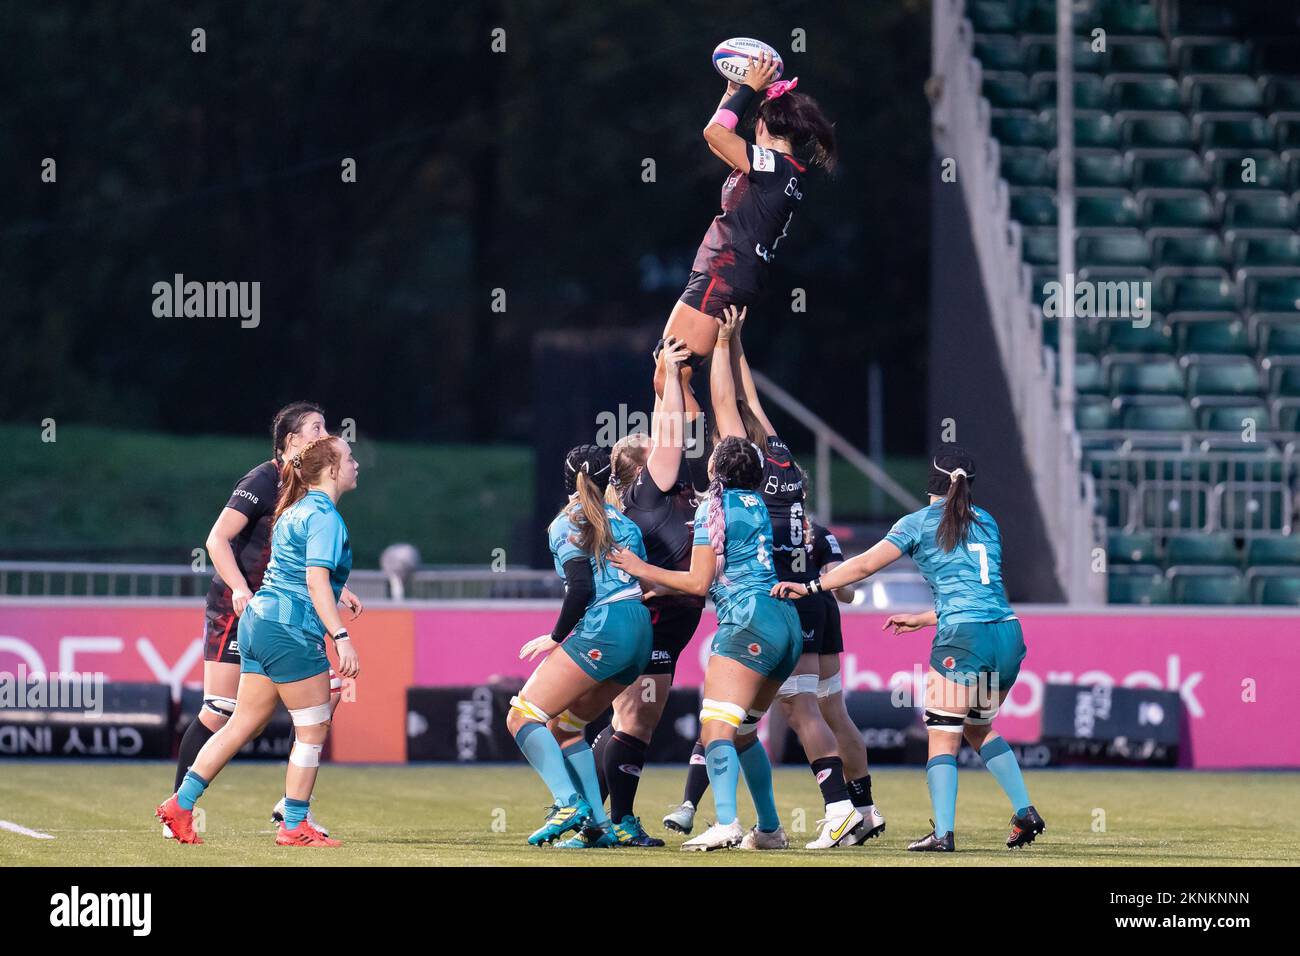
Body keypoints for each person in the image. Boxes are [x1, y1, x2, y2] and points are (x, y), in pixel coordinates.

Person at [773, 447, 1046, 851]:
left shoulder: (917, 523)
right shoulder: (987, 521)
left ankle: (943, 835)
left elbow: (865, 565)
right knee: (976, 727)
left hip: (964, 639)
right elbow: (977, 592)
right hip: (1006, 634)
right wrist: (924, 617)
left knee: (942, 736)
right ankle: (1025, 811)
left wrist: (811, 586)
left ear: (931, 483)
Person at [688, 305, 869, 849]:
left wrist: (719, 345)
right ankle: (822, 816)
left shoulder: (743, 490)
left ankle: (840, 809)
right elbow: (749, 402)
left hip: (776, 597)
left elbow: (727, 403)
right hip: (804, 597)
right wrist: (734, 342)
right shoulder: (785, 468)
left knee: (800, 711)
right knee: (793, 713)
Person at [157, 436, 362, 847]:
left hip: (256, 622)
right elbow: (315, 580)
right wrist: (341, 636)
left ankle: (181, 805)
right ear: (333, 470)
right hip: (289, 629)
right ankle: (294, 824)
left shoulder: (292, 509)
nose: (357, 463)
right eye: (349, 457)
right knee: (313, 727)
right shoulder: (323, 516)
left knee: (242, 723)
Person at [612, 436, 802, 851]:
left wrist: (642, 568)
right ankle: (769, 828)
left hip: (747, 622)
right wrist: (664, 588)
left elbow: (699, 582)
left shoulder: (713, 508)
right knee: (746, 732)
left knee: (716, 725)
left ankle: (725, 822)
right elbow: (722, 566)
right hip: (784, 620)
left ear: (717, 470)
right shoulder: (756, 504)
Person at [653, 51, 838, 423]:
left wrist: (750, 89)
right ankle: (693, 459)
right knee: (671, 370)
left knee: (667, 376)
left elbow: (714, 133)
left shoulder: (772, 167)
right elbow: (716, 140)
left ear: (763, 126)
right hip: (729, 275)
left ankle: (712, 459)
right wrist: (733, 90)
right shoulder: (780, 171)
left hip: (723, 272)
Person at [508, 445, 654, 849]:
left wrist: (554, 639)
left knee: (522, 717)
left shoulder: (565, 523)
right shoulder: (626, 524)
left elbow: (582, 589)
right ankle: (599, 826)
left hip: (606, 627)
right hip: (639, 629)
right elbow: (640, 583)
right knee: (566, 726)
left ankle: (568, 804)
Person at [589, 338, 703, 846]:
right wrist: (670, 378)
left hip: (672, 620)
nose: (671, 454)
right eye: (657, 451)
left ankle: (585, 814)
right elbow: (675, 430)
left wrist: (670, 378)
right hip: (658, 620)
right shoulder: (650, 490)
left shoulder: (661, 491)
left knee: (629, 719)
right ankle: (612, 819)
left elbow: (683, 421)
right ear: (643, 467)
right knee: (636, 718)